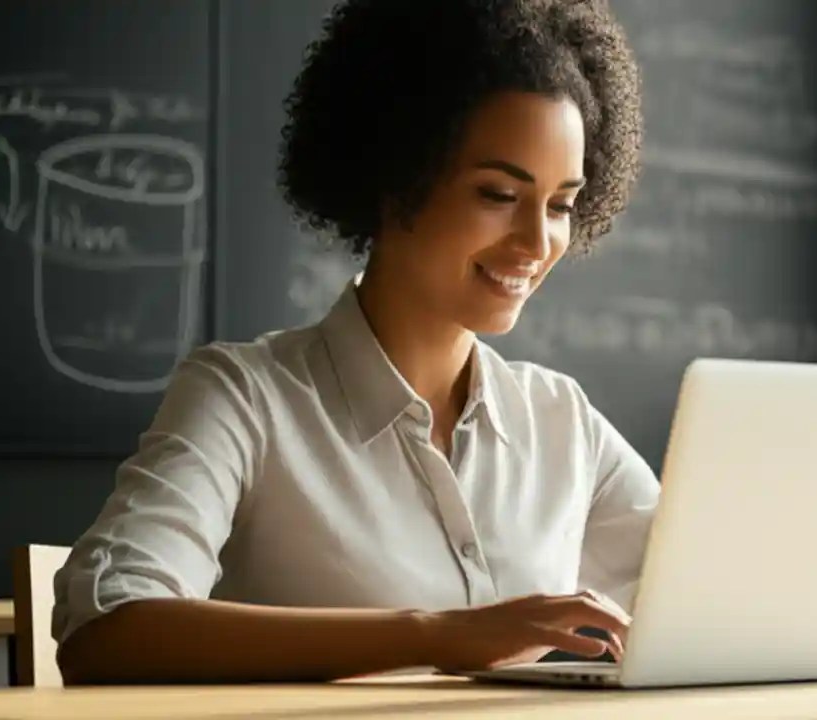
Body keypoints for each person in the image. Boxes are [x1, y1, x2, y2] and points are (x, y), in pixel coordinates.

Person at [51, 0, 657, 685]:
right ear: (396, 179)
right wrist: (437, 635)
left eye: (561, 205)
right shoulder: (246, 400)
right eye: (497, 194)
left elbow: (720, 596)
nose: (537, 242)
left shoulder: (563, 423)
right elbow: (106, 632)